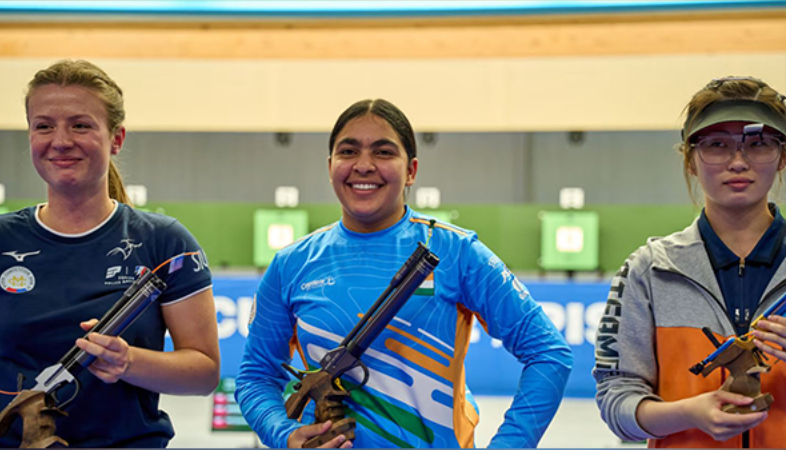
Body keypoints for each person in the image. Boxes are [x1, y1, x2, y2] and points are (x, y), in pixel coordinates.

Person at [235, 98, 573, 448]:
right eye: (348, 151)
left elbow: (549, 353)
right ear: (330, 165)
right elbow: (256, 376)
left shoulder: (455, 251)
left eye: (383, 152)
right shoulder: (291, 264)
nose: (363, 166)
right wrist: (284, 433)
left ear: (411, 170)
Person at [0, 60, 220, 447]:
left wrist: (129, 362)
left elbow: (204, 373)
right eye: (44, 125)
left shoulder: (165, 242)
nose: (60, 140)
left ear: (116, 138)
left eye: (80, 125)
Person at [593, 76, 786, 448]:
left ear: (781, 157)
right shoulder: (648, 270)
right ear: (691, 160)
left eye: (758, 144)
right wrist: (688, 413)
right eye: (716, 145)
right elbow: (616, 400)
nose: (738, 161)